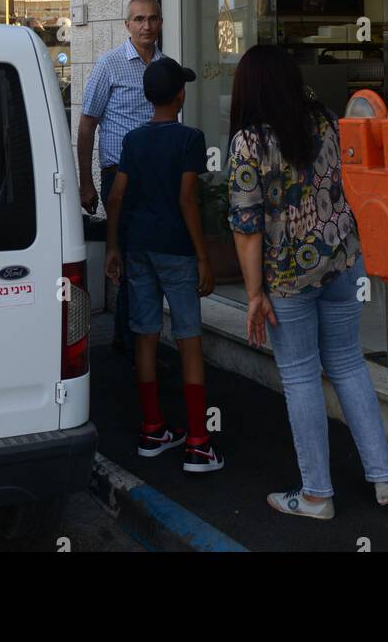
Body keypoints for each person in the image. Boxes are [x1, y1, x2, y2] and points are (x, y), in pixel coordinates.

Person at [227, 44, 388, 519]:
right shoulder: (325, 120)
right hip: (343, 262)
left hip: (287, 277)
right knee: (348, 363)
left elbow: (246, 226)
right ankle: (386, 478)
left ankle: (318, 495)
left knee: (300, 376)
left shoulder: (248, 142)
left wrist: (254, 294)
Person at [105, 57, 223, 473]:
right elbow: (187, 199)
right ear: (181, 95)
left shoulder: (134, 140)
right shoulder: (190, 138)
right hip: (176, 248)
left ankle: (153, 427)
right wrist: (204, 255)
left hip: (138, 245)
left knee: (145, 334)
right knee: (189, 336)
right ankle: (197, 441)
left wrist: (113, 247)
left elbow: (117, 196)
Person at [77, 0, 164, 354]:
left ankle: (137, 344)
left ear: (161, 23)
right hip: (119, 178)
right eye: (139, 19)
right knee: (127, 261)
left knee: (150, 260)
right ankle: (129, 346)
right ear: (127, 24)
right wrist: (86, 181)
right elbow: (86, 126)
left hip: (159, 179)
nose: (146, 26)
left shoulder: (165, 67)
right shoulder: (109, 65)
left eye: (153, 19)